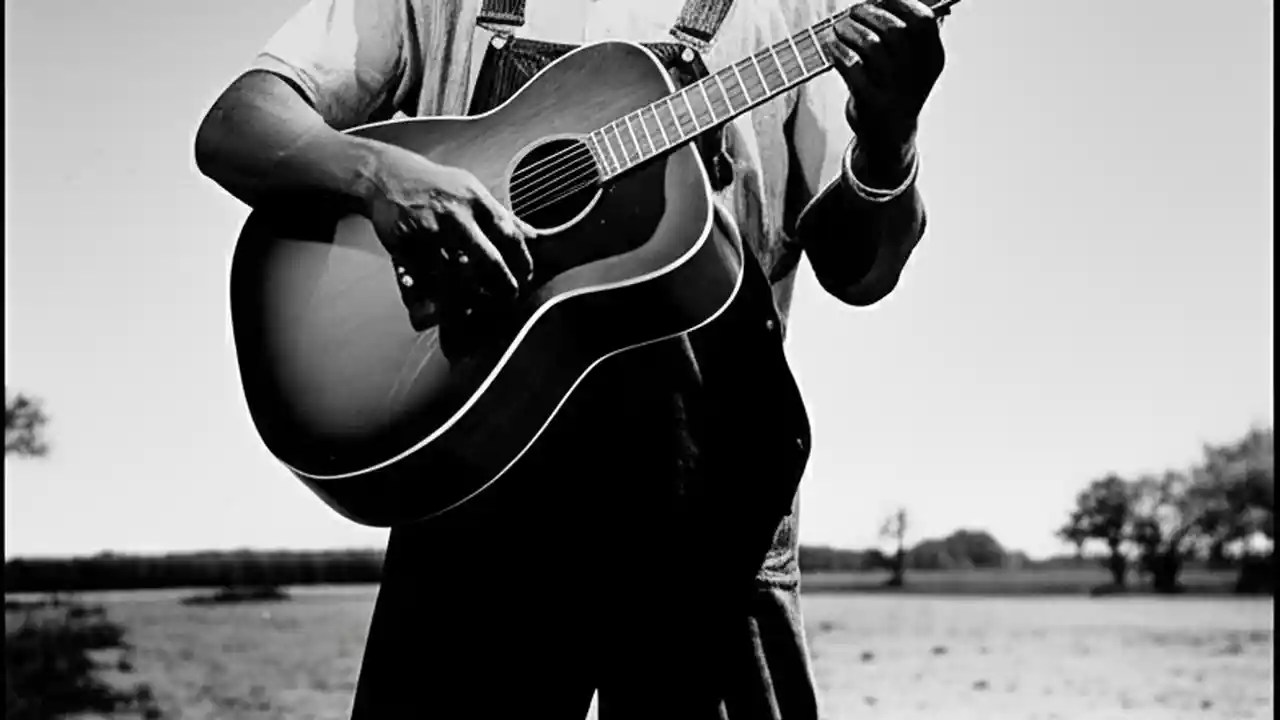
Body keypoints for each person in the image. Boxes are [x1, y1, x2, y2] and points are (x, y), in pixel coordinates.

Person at [195, 0, 946, 716]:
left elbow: (860, 273)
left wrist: (889, 145)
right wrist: (379, 175)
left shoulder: (806, 10)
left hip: (719, 503)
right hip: (476, 478)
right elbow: (237, 125)